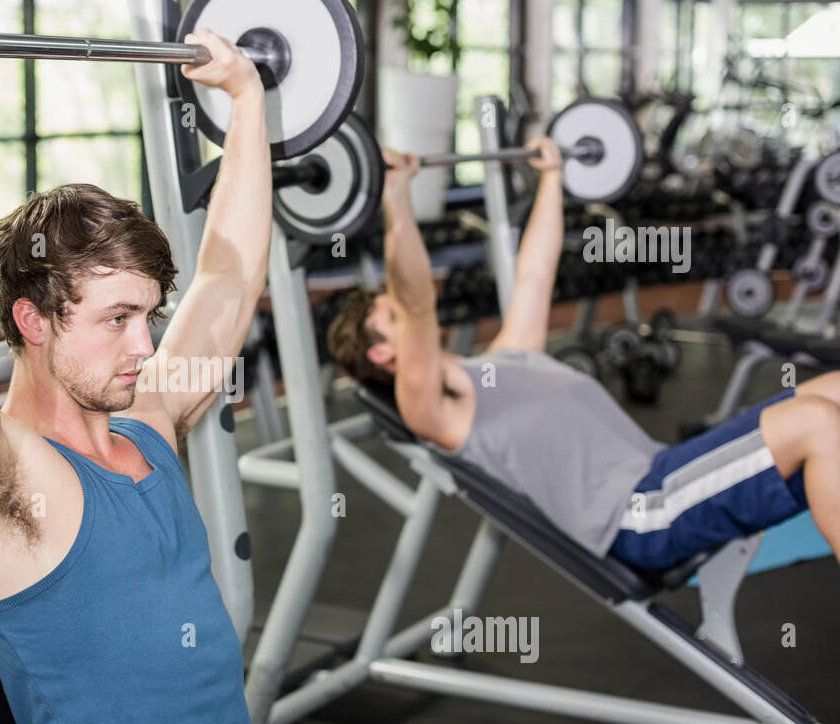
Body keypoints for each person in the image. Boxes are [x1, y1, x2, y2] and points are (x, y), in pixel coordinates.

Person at [0, 10, 294, 724]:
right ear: (32, 322)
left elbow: (231, 280)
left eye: (148, 315)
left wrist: (247, 104)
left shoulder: (151, 423)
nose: (145, 346)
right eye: (115, 319)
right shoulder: (3, 488)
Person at [326, 141, 840, 572]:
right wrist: (396, 194)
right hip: (640, 514)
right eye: (394, 319)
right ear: (382, 353)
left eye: (397, 309)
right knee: (815, 420)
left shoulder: (501, 360)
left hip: (665, 469)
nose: (411, 316)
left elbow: (534, 272)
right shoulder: (432, 408)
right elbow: (416, 301)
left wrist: (551, 176)